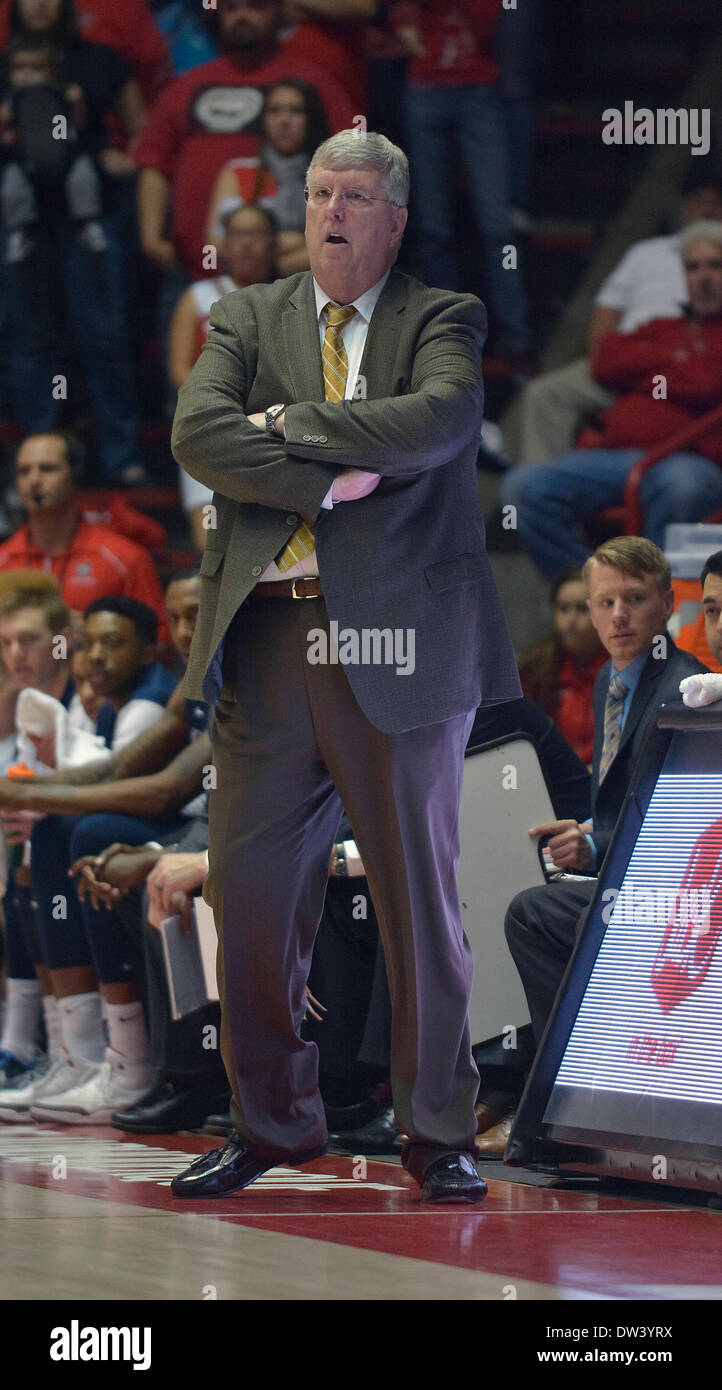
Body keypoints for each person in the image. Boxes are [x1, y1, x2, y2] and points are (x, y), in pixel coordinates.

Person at [169, 128, 521, 1204]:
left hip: (400, 642)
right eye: (318, 191)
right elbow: (197, 432)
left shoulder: (440, 316)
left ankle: (437, 1134)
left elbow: (439, 421)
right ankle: (270, 1125)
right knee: (251, 896)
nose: (329, 210)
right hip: (268, 635)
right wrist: (330, 473)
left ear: (393, 218)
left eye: (354, 195)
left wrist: (290, 427)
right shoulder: (244, 314)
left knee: (419, 900)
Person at [503, 537, 707, 1075]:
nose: (618, 615)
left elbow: (675, 831)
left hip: (664, 889)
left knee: (528, 912)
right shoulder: (608, 679)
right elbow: (624, 801)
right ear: (590, 611)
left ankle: (561, 1082)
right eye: (605, 602)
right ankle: (510, 1082)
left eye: (635, 599)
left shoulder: (681, 689)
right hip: (623, 870)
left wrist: (593, 846)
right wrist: (587, 828)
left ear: (667, 604)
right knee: (503, 876)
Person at [501, 223, 722, 578]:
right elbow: (605, 360)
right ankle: (592, 588)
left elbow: (709, 382)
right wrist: (676, 362)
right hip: (617, 458)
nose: (704, 277)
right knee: (522, 488)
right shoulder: (661, 326)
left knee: (684, 486)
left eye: (715, 266)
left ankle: (650, 597)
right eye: (694, 268)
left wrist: (652, 363)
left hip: (686, 462)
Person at [2, 0, 148, 486]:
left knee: (102, 336)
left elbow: (142, 134)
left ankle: (120, 457)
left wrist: (126, 157)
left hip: (87, 220)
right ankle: (40, 455)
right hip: (22, 222)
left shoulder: (100, 61)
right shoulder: (5, 63)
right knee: (29, 338)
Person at [134, 0, 356, 286]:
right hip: (194, 274)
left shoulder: (312, 81)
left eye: (256, 7)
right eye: (232, 8)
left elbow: (355, 166)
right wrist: (151, 238)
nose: (242, 16)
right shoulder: (186, 84)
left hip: (291, 278)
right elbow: (154, 161)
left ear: (279, 12)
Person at [514, 171, 722, 464]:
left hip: (687, 371)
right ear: (685, 206)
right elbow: (606, 314)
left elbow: (707, 376)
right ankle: (546, 489)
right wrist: (611, 365)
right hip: (633, 362)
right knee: (544, 394)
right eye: (700, 202)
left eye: (716, 203)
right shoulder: (646, 253)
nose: (708, 210)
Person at [169, 204, 278, 549]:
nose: (247, 244)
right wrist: (225, 410)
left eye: (257, 234)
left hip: (272, 435)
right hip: (209, 431)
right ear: (225, 245)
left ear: (273, 243)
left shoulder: (295, 298)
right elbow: (179, 371)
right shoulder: (198, 298)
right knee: (211, 552)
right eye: (238, 235)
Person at [0, 431, 169, 642]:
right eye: (24, 471)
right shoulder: (3, 560)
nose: (34, 480)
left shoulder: (125, 558)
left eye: (47, 469)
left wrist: (96, 637)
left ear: (75, 475)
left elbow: (159, 643)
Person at [205, 76, 328, 275]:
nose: (284, 120)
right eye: (274, 111)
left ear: (312, 118)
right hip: (249, 292)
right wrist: (294, 243)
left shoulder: (332, 179)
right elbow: (215, 246)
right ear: (264, 120)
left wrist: (263, 261)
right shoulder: (238, 172)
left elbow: (336, 248)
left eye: (295, 110)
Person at [518, 567, 605, 766]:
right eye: (563, 608)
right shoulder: (534, 667)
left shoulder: (623, 670)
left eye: (582, 609)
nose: (571, 620)